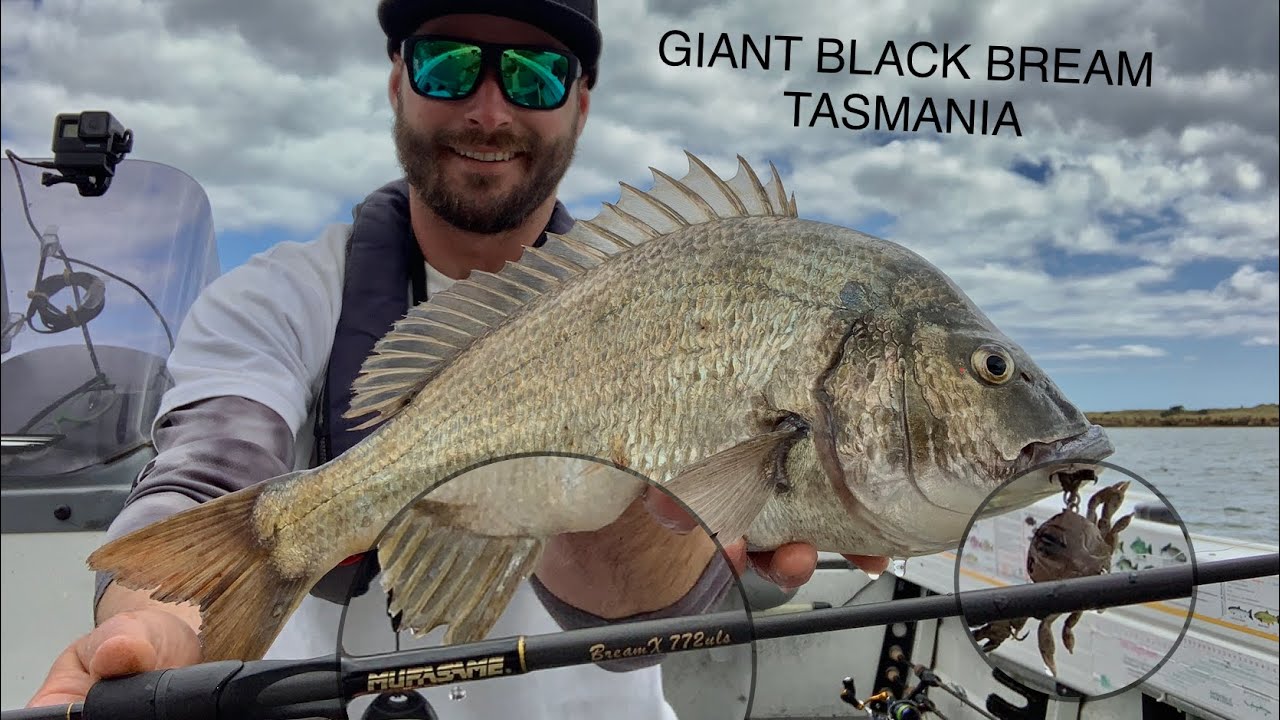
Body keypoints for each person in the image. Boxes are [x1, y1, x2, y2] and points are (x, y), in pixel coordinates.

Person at [27, 1, 890, 717]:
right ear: (399, 78)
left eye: (533, 73)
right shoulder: (277, 296)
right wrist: (157, 628)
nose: (488, 109)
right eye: (448, 64)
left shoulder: (661, 298)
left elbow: (650, 617)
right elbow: (210, 470)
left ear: (581, 101)